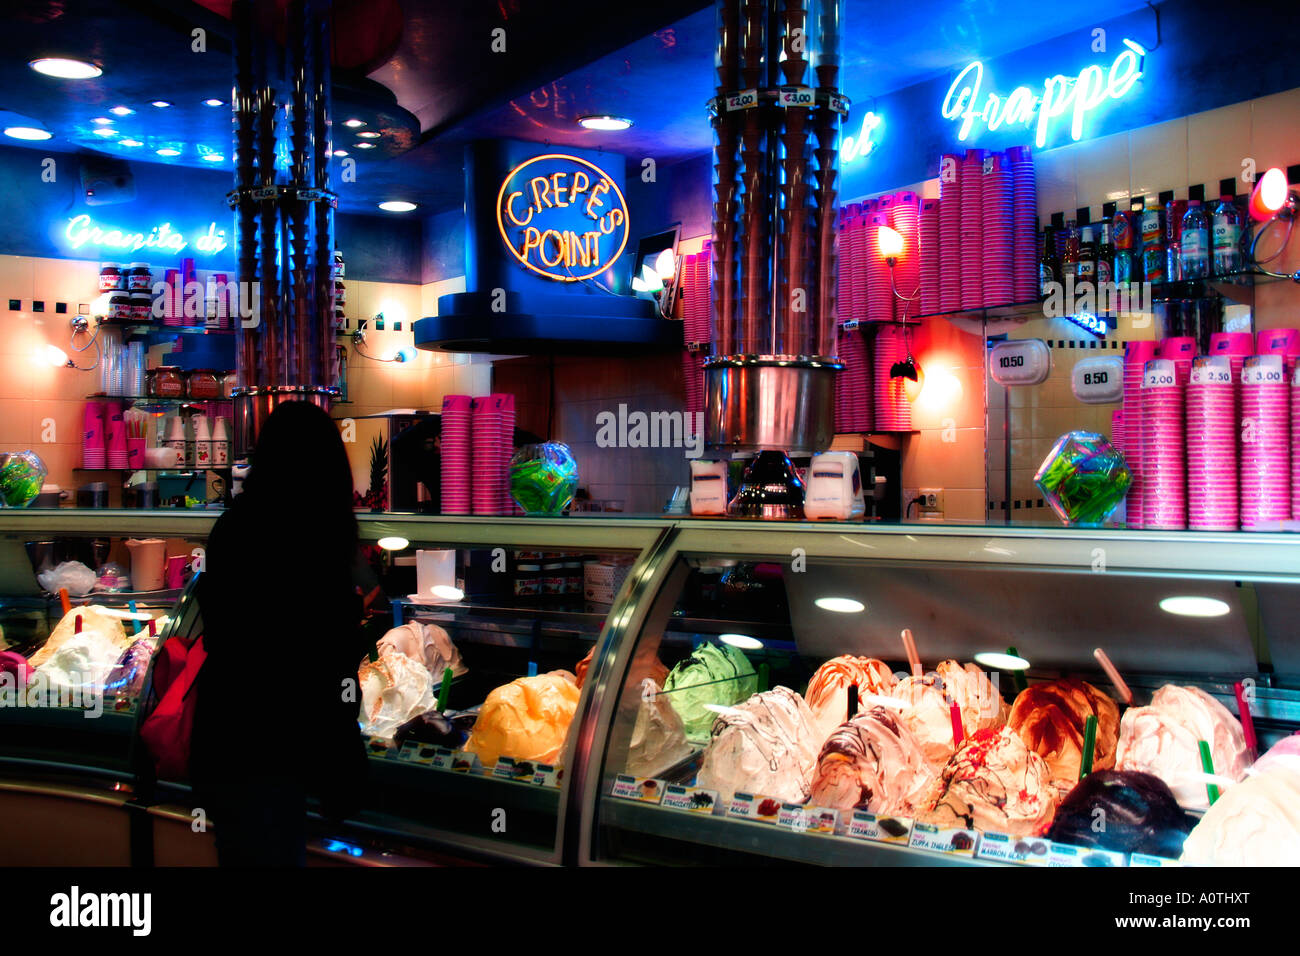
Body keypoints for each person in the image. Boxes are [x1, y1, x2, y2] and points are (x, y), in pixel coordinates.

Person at [191, 400, 368, 865]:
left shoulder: (234, 526)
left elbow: (226, 631)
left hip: (229, 742)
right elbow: (321, 660)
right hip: (274, 755)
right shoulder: (315, 541)